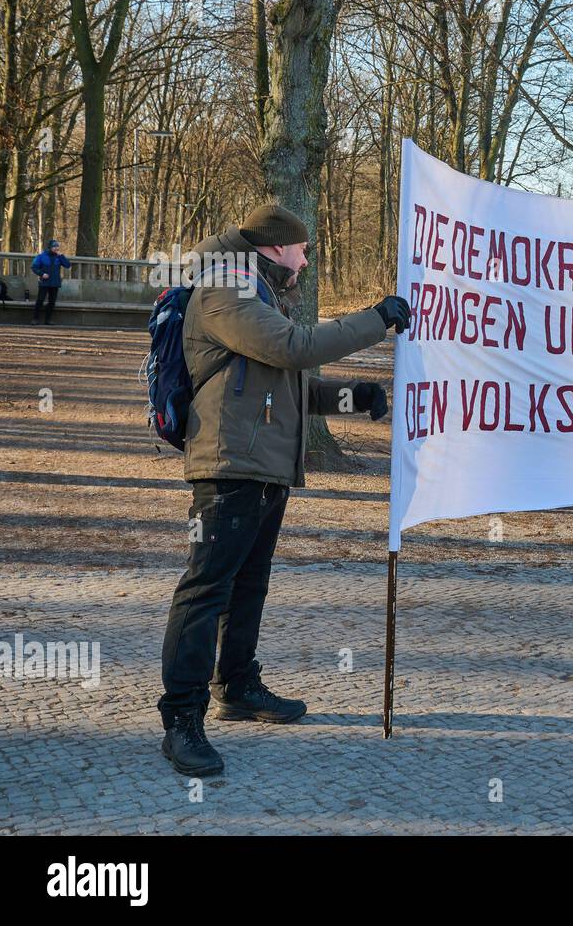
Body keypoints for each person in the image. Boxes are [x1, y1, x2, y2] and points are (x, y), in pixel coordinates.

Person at [158, 204, 411, 777]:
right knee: (205, 590)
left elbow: (292, 383)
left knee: (249, 584)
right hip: (228, 466)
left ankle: (238, 686)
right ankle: (180, 721)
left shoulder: (262, 297)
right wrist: (377, 318)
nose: (305, 259)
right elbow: (295, 348)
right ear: (276, 249)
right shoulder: (227, 291)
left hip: (263, 467)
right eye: (301, 250)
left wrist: (354, 396)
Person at [30, 239, 72, 325]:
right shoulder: (41, 256)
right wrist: (42, 274)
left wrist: (61, 256)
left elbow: (68, 265)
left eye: (57, 246)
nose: (57, 248)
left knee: (52, 302)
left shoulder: (59, 257)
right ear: (50, 247)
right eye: (54, 246)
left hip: (55, 283)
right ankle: (35, 319)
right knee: (40, 300)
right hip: (44, 282)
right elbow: (34, 267)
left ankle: (48, 320)